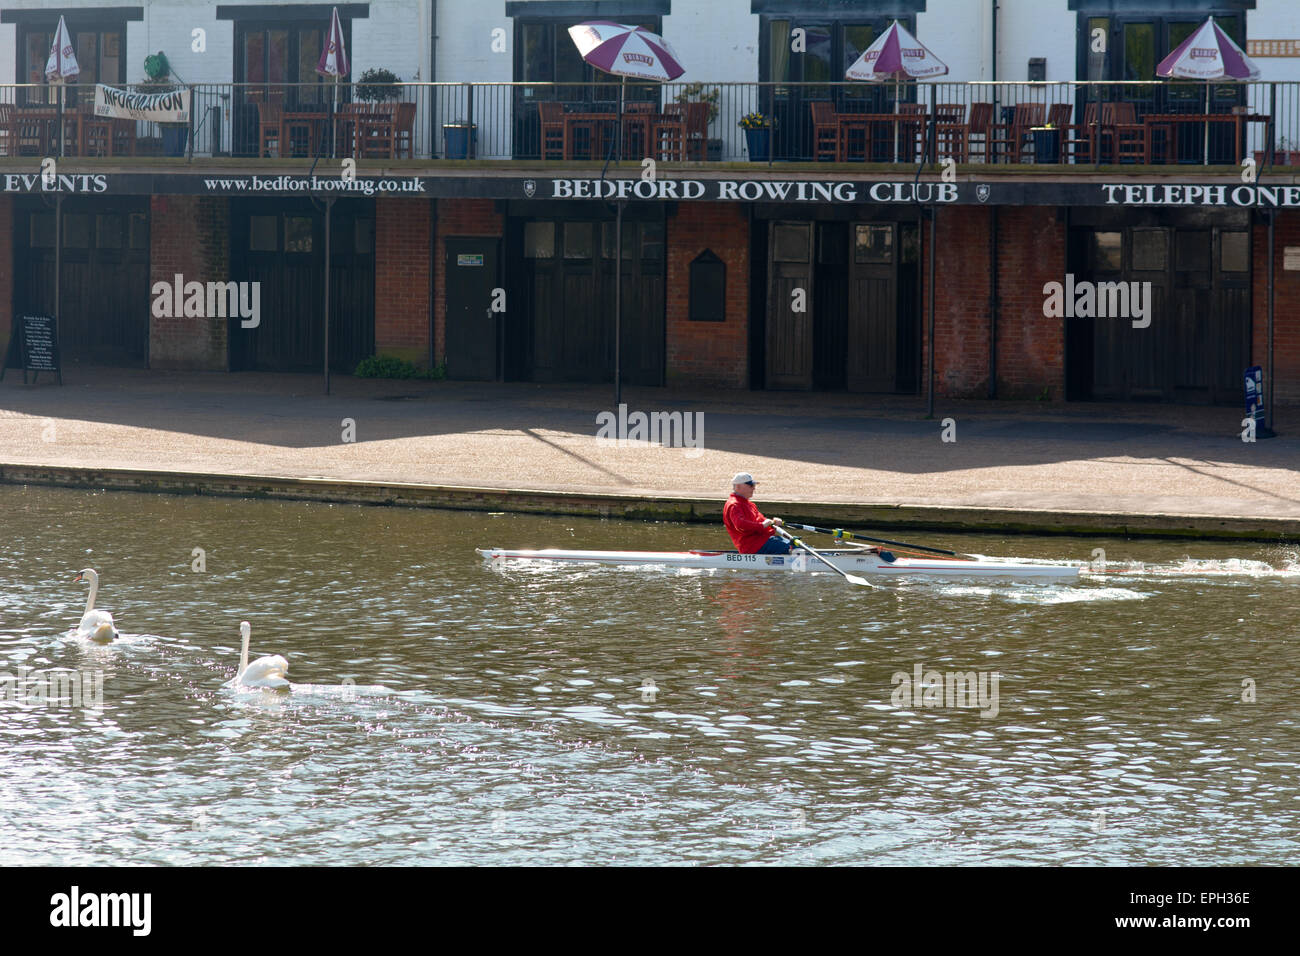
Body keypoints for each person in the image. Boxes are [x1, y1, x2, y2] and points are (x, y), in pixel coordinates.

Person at [723, 472, 792, 555]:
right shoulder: (734, 505)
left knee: (794, 545)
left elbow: (762, 521)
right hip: (753, 547)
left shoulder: (749, 504)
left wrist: (773, 523)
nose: (754, 488)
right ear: (738, 486)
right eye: (751, 485)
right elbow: (740, 525)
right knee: (795, 548)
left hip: (762, 542)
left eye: (754, 485)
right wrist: (762, 525)